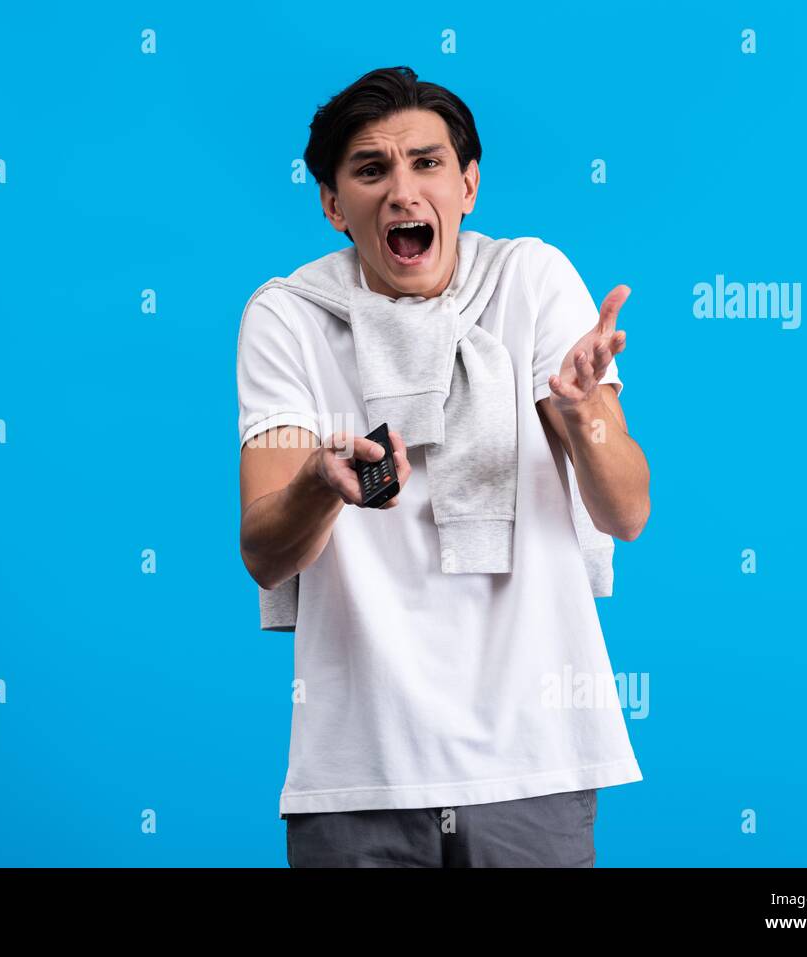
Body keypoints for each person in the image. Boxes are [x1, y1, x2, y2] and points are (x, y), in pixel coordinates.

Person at [236, 66, 651, 867]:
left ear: (467, 184)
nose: (402, 191)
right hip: (359, 776)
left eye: (427, 163)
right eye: (370, 170)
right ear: (332, 204)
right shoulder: (287, 318)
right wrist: (321, 487)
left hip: (536, 760)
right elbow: (263, 549)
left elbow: (626, 513)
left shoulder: (531, 282)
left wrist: (581, 414)